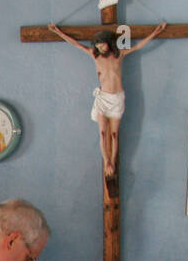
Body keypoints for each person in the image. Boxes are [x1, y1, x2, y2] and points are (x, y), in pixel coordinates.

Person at [48, 21, 166, 181]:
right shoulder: (94, 55)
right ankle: (107, 162)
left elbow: (138, 47)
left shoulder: (119, 55)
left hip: (117, 98)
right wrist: (57, 32)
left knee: (114, 134)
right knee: (103, 134)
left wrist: (155, 33)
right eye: (98, 46)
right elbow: (76, 45)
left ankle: (113, 161)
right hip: (103, 98)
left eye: (102, 45)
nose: (100, 48)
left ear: (108, 43)